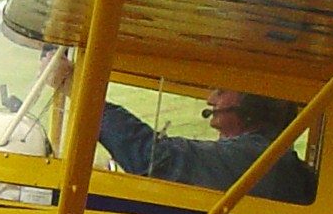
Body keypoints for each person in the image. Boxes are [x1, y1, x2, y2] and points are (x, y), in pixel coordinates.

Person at [98, 87, 315, 203]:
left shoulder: (255, 155)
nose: (211, 99)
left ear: (253, 104)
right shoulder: (260, 150)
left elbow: (156, 160)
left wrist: (92, 102)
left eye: (221, 92)